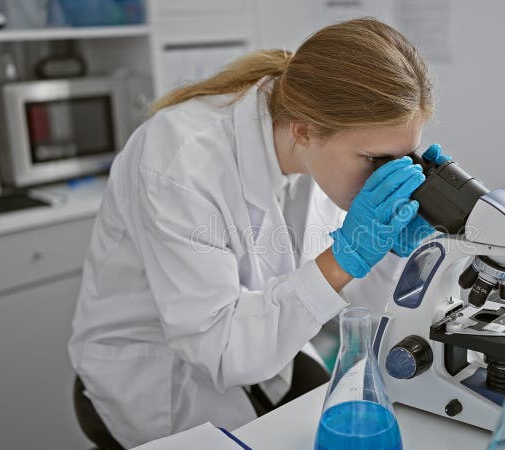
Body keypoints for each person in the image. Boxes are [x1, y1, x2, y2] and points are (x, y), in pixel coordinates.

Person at [68, 17, 446, 449]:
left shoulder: (316, 149)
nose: (392, 177)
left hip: (262, 347)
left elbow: (360, 305)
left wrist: (399, 255)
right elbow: (223, 348)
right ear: (304, 129)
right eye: (378, 160)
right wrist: (344, 258)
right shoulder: (179, 160)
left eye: (404, 159)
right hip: (160, 376)